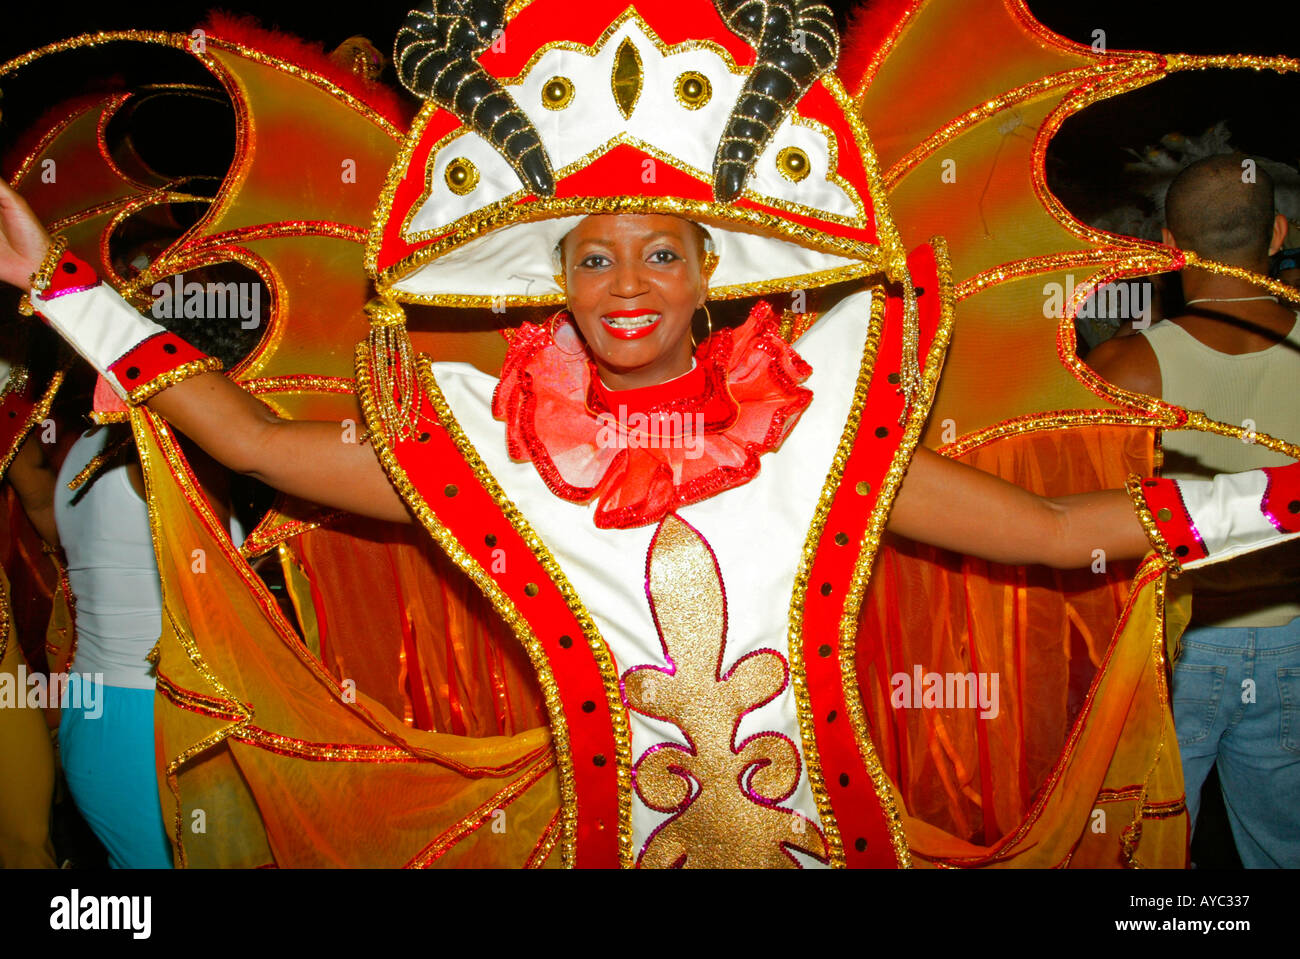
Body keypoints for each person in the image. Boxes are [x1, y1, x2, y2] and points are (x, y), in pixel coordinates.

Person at [1, 0, 1296, 867]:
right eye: (596, 256)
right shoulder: (505, 448)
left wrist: (1282, 501)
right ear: (556, 282)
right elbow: (259, 443)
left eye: (659, 253)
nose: (627, 283)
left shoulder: (809, 432)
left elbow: (1063, 529)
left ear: (704, 273)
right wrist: (61, 289)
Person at [1087, 153, 1300, 867]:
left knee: (1142, 853)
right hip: (1294, 641)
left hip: (1175, 649)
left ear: (1171, 248)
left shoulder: (1126, 368)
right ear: (1277, 232)